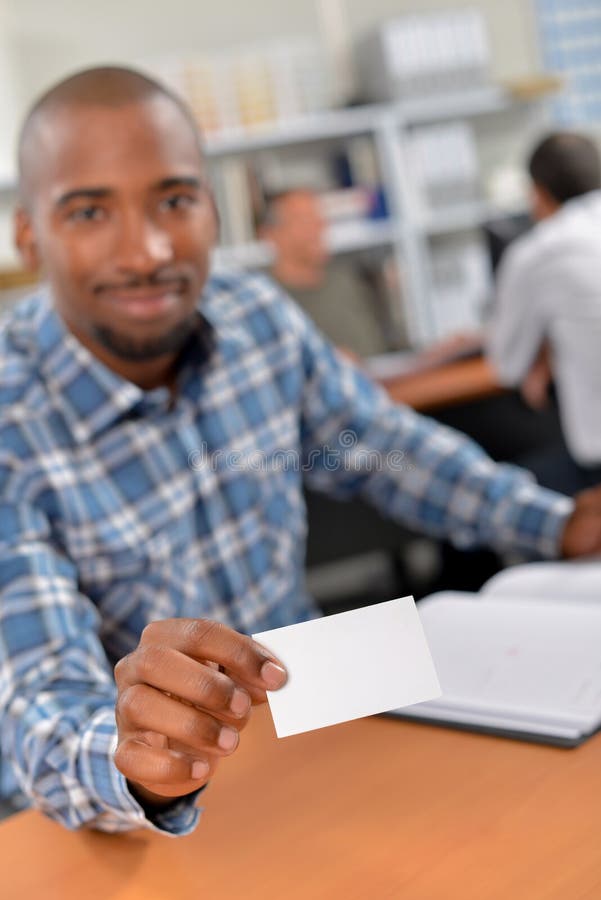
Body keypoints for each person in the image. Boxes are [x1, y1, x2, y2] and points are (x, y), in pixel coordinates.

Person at [2, 67, 601, 837]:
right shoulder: (13, 422)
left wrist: (553, 524)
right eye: (89, 211)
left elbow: (379, 449)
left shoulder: (255, 318)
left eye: (175, 201)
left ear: (213, 207)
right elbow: (40, 697)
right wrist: (133, 756)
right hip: (128, 810)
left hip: (311, 712)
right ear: (28, 234)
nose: (147, 251)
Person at [486, 132, 601, 493]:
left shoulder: (539, 252)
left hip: (596, 464)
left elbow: (507, 366)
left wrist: (547, 348)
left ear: (537, 193)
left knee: (495, 489)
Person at [258, 189, 401, 357]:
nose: (319, 227)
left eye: (318, 217)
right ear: (269, 234)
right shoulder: (262, 300)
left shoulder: (345, 280)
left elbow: (383, 353)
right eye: (304, 220)